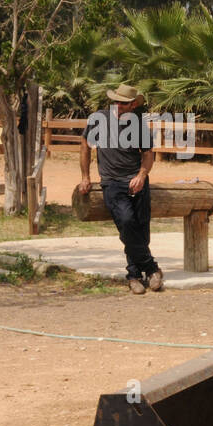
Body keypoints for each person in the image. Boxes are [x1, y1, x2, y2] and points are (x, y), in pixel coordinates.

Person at [80, 83, 163, 294]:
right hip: (112, 182)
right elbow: (84, 146)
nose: (119, 106)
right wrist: (85, 177)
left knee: (141, 228)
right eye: (117, 101)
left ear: (133, 104)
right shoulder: (99, 119)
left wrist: (141, 176)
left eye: (124, 103)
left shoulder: (138, 125)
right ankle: (151, 268)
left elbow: (147, 154)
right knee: (127, 222)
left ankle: (135, 276)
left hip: (136, 180)